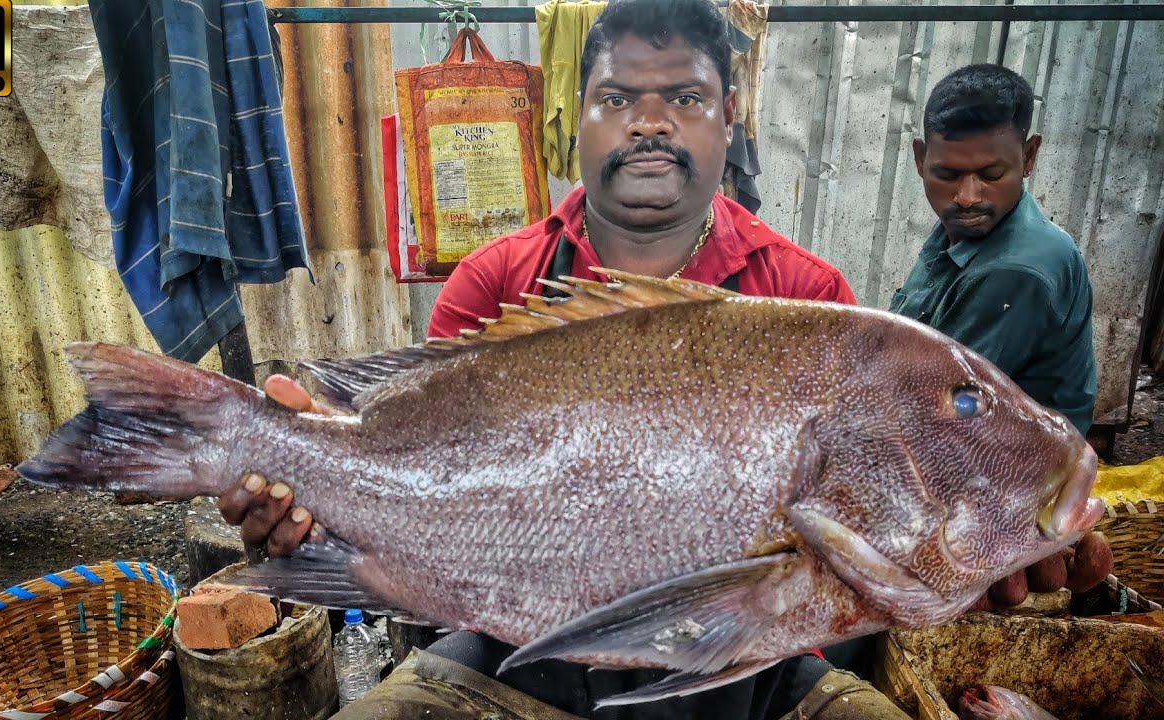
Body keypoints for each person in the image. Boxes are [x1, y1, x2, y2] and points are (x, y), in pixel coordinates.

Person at [217, 10, 1108, 717]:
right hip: (507, 662)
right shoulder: (498, 279)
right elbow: (380, 456)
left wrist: (973, 561)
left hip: (751, 682)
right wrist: (303, 490)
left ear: (730, 115)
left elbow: (868, 551)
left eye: (684, 96)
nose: (649, 122)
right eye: (617, 98)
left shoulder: (808, 294)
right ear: (576, 118)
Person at [892, 64, 1109, 612]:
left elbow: (939, 421)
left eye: (991, 174)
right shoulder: (965, 234)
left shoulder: (1018, 270)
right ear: (920, 157)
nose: (967, 196)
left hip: (993, 493)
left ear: (1029, 157)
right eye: (947, 174)